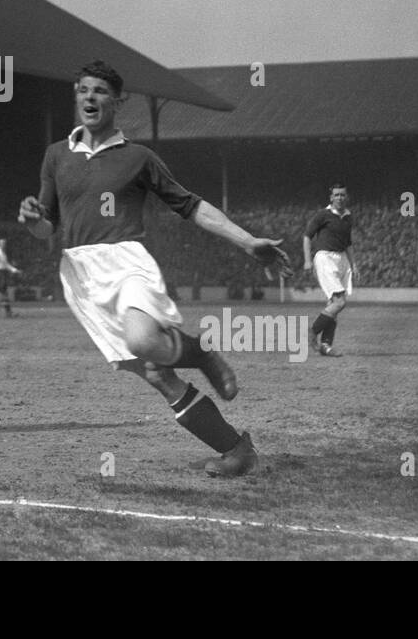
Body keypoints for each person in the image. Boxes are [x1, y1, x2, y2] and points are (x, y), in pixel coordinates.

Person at [18, 62, 291, 478]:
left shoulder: (138, 157)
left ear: (117, 101)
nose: (91, 98)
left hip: (126, 261)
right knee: (156, 374)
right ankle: (237, 450)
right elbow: (46, 228)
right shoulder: (55, 156)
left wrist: (247, 241)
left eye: (101, 92)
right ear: (75, 96)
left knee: (144, 340)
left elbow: (191, 205)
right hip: (80, 276)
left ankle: (199, 353)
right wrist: (31, 220)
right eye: (84, 90)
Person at [303, 184, 355, 357]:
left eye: (342, 195)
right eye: (336, 195)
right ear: (331, 198)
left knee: (333, 304)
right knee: (340, 302)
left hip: (341, 259)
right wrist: (307, 261)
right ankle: (313, 332)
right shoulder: (322, 215)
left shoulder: (348, 217)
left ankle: (326, 346)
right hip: (325, 257)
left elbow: (348, 243)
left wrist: (354, 265)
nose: (339, 198)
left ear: (346, 197)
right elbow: (306, 237)